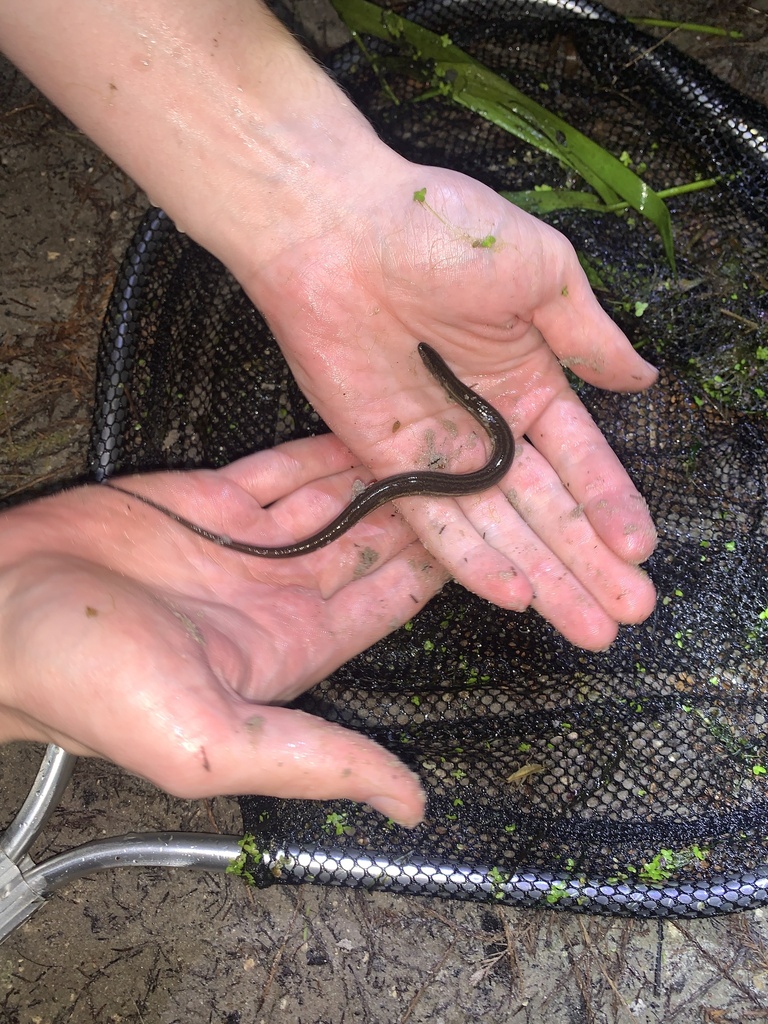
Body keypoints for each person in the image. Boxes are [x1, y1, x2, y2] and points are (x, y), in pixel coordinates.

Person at [0, 0, 657, 827]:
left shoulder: (473, 417)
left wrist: (323, 207)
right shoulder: (469, 417)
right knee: (410, 489)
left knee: (410, 488)